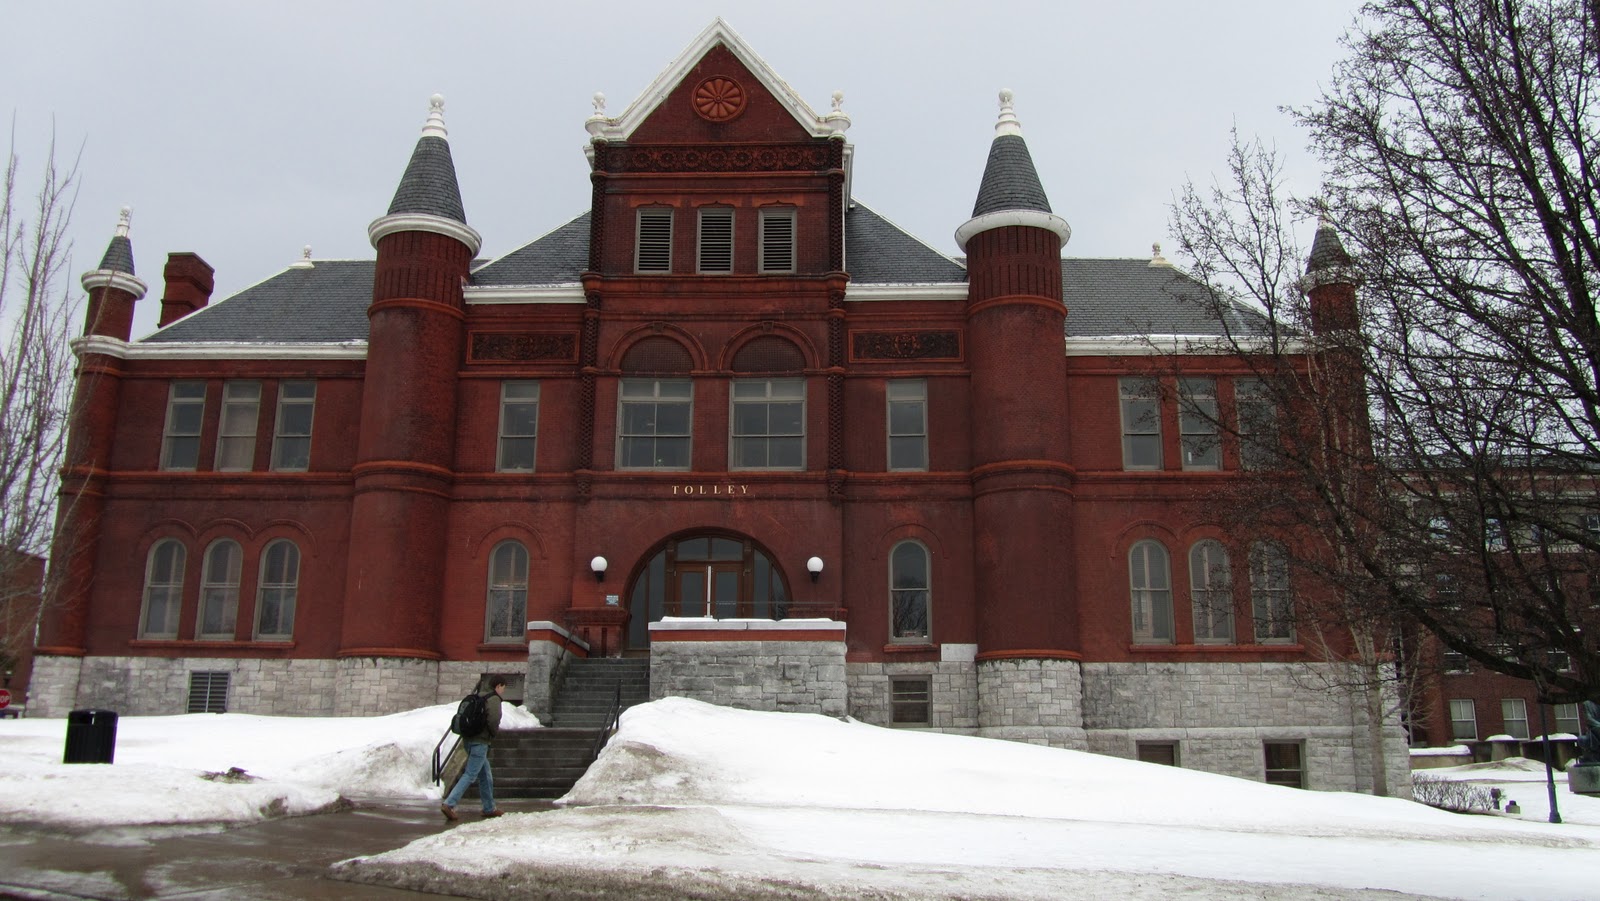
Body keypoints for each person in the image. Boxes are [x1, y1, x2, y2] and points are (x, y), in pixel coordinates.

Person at [441, 676, 506, 821]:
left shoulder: (478, 696)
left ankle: (489, 808)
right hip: (480, 742)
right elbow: (493, 720)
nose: (503, 691)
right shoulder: (494, 699)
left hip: (468, 740)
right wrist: (493, 734)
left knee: (485, 775)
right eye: (503, 687)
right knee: (470, 774)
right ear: (498, 686)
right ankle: (449, 804)